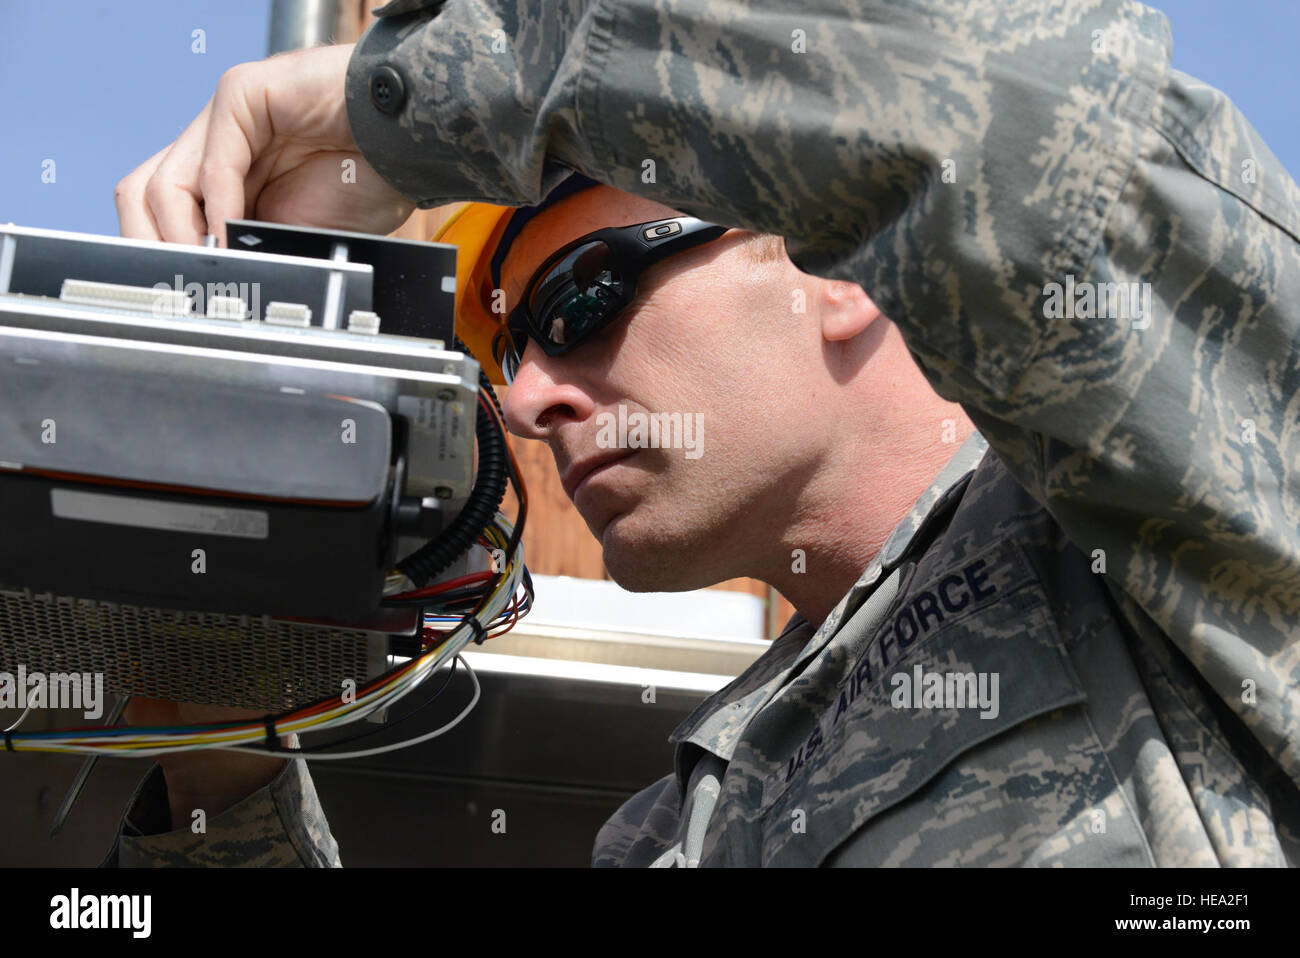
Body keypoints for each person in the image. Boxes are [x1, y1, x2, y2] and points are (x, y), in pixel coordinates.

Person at [103, 0, 1299, 867]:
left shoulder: (1166, 523)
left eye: (579, 302)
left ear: (834, 261)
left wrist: (408, 100)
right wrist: (226, 755)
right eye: (511, 352)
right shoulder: (670, 829)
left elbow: (1026, 116)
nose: (524, 403)